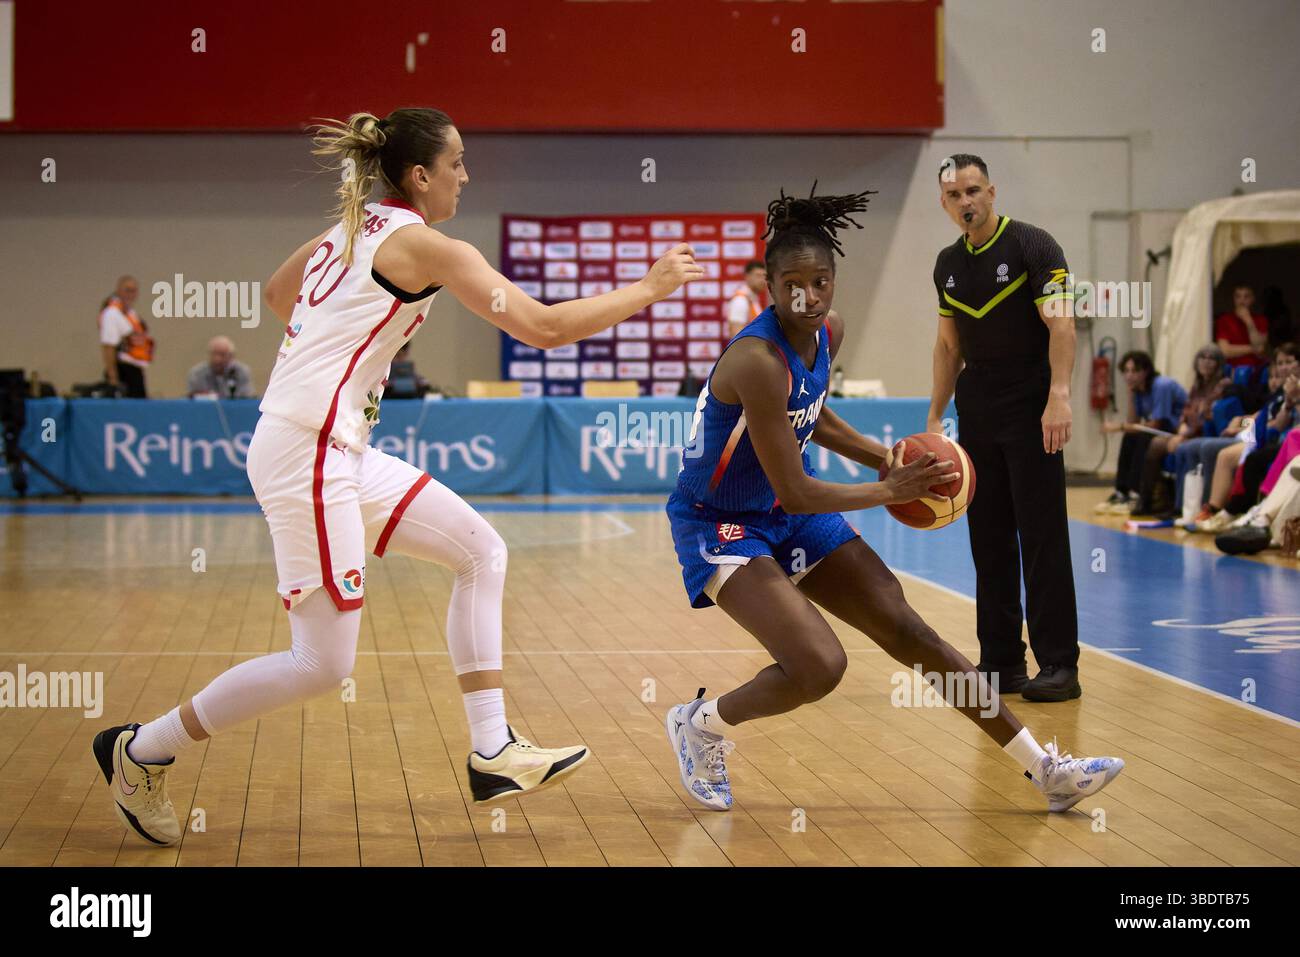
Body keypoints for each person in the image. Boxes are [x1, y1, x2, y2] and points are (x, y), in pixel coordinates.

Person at [92, 107, 704, 846]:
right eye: (458, 163)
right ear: (420, 175)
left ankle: (493, 748)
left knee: (481, 550)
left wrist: (352, 361)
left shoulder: (346, 230)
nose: (466, 176)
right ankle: (141, 750)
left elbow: (279, 295)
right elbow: (543, 327)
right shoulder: (426, 246)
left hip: (332, 444)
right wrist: (648, 288)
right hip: (309, 449)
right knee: (322, 662)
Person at [663, 184, 1123, 815]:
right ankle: (701, 723)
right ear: (769, 288)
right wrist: (889, 488)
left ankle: (1045, 771)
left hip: (781, 512)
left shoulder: (829, 333)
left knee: (908, 628)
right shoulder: (756, 360)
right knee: (819, 666)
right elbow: (797, 487)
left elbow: (811, 416)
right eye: (793, 284)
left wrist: (885, 456)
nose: (810, 296)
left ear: (833, 280)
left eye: (821, 281)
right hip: (718, 521)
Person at [925, 155, 1082, 702]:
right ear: (943, 204)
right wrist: (934, 419)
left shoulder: (1034, 246)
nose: (965, 202)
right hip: (979, 408)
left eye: (973, 191)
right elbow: (949, 346)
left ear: (991, 191)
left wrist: (1058, 396)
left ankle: (1060, 664)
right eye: (954, 196)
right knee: (987, 538)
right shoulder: (946, 264)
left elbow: (1062, 323)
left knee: (1041, 536)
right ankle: (1000, 662)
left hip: (1032, 402)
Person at [1133, 344, 1230, 517]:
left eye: (1211, 359)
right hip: (1189, 432)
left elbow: (1207, 416)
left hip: (1208, 432)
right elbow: (1187, 412)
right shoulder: (1197, 385)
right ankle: (1148, 499)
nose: (1206, 362)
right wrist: (1182, 430)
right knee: (1153, 443)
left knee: (1175, 447)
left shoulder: (1223, 385)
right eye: (1203, 357)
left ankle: (1176, 506)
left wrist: (1184, 435)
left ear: (1219, 363)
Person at [1096, 350, 1187, 514]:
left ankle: (1135, 492)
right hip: (1157, 430)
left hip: (1177, 431)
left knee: (1143, 437)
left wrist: (1119, 426)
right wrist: (1130, 394)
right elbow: (1134, 422)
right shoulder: (1138, 390)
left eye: (1134, 371)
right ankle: (1121, 491)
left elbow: (1157, 423)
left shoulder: (1162, 386)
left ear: (1145, 371)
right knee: (1130, 437)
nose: (1129, 376)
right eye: (1126, 371)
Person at [97, 275, 153, 398]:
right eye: (127, 290)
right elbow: (108, 346)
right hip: (122, 371)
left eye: (134, 291)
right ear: (118, 291)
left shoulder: (131, 314)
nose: (130, 294)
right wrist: (113, 381)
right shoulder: (112, 313)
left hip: (135, 370)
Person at [1215, 284, 1270, 370]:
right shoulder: (1224, 320)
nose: (1242, 301)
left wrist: (1249, 322)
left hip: (1257, 369)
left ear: (1252, 299)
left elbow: (1261, 349)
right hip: (1232, 370)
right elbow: (1224, 351)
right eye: (1238, 296)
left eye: (1246, 297)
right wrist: (1253, 349)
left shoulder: (1261, 320)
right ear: (1234, 299)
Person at [187, 335, 255, 398]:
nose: (217, 359)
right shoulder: (197, 373)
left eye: (222, 355)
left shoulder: (242, 372)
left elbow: (246, 397)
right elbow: (193, 398)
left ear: (231, 356)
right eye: (214, 354)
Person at [725, 259, 767, 339]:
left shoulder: (752, 298)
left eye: (764, 276)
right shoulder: (740, 300)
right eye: (758, 276)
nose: (762, 280)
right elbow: (735, 334)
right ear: (747, 276)